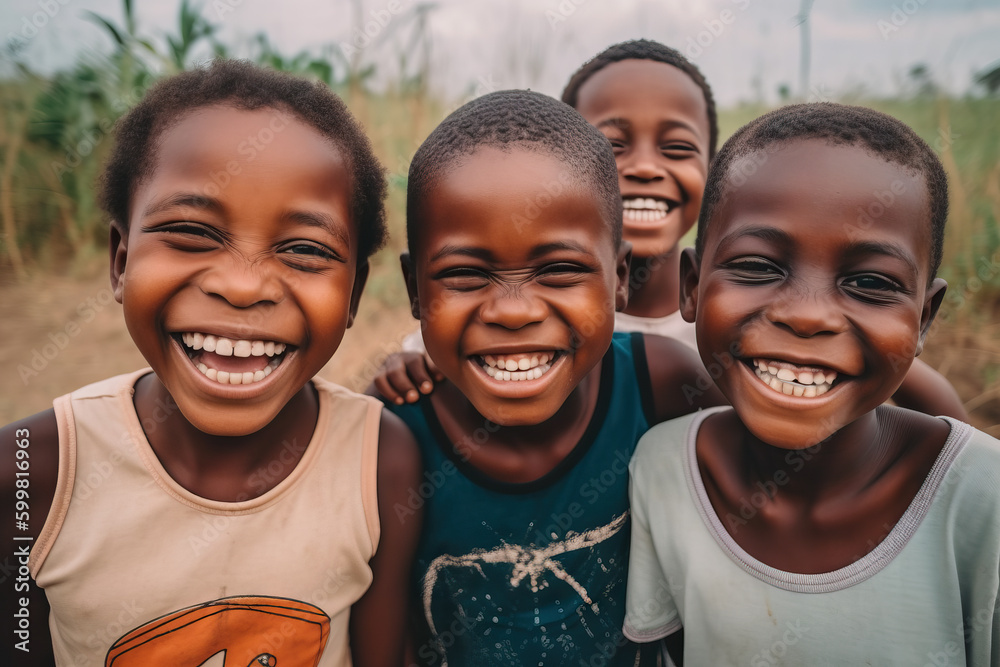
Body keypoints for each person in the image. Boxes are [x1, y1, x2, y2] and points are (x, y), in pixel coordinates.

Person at [0, 61, 422, 667]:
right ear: (120, 261)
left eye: (304, 249)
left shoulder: (381, 462)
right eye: (192, 233)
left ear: (354, 294)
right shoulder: (32, 469)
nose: (243, 287)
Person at [376, 40, 968, 423]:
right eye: (609, 146)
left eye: (678, 147)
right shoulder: (490, 332)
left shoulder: (751, 320)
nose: (643, 167)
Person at [623, 103, 1000, 666]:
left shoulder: (983, 499)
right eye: (757, 266)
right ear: (693, 286)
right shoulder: (662, 469)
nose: (807, 317)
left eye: (870, 282)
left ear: (924, 318)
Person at [387, 89, 722, 666]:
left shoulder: (661, 384)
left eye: (560, 270)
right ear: (416, 289)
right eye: (466, 274)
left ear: (619, 275)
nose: (513, 311)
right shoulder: (395, 435)